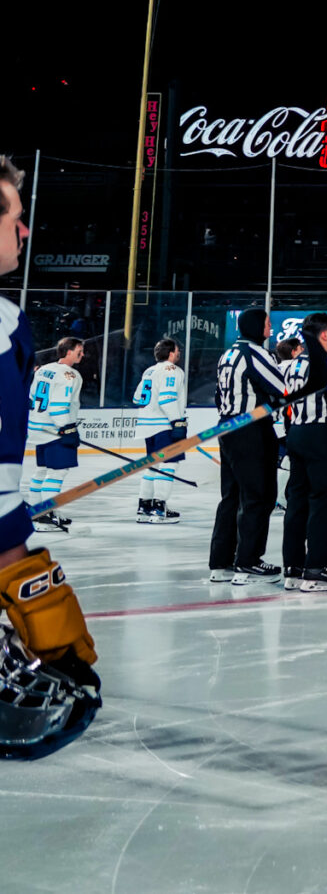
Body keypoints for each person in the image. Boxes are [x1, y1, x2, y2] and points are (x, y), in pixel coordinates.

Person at [0, 156, 104, 763]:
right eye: (16, 215)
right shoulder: (7, 327)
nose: (25, 230)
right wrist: (20, 568)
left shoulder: (20, 340)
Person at [209, 309, 327, 584]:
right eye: (266, 323)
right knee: (259, 495)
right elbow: (280, 388)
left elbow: (219, 394)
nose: (271, 329)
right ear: (254, 326)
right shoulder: (254, 353)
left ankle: (221, 562)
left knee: (232, 496)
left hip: (227, 426)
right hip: (250, 429)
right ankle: (248, 561)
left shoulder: (228, 354)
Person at [279, 314, 327, 591]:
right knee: (325, 498)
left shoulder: (293, 365)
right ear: (323, 334)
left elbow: (287, 404)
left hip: (296, 434)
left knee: (297, 500)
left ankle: (293, 568)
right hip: (322, 434)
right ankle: (316, 569)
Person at [26, 336, 83, 534]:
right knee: (58, 472)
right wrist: (68, 428)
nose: (82, 354)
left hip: (38, 428)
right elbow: (58, 407)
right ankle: (46, 515)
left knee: (42, 470)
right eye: (79, 351)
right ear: (68, 352)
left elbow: (32, 398)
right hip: (54, 431)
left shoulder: (44, 369)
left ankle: (37, 512)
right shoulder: (70, 375)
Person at [131, 336, 187, 523]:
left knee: (153, 466)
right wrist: (177, 421)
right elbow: (167, 399)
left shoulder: (149, 371)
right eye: (177, 350)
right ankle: (159, 508)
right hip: (164, 426)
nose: (179, 353)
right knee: (169, 465)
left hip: (148, 425)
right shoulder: (173, 370)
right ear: (171, 353)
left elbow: (137, 398)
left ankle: (144, 506)